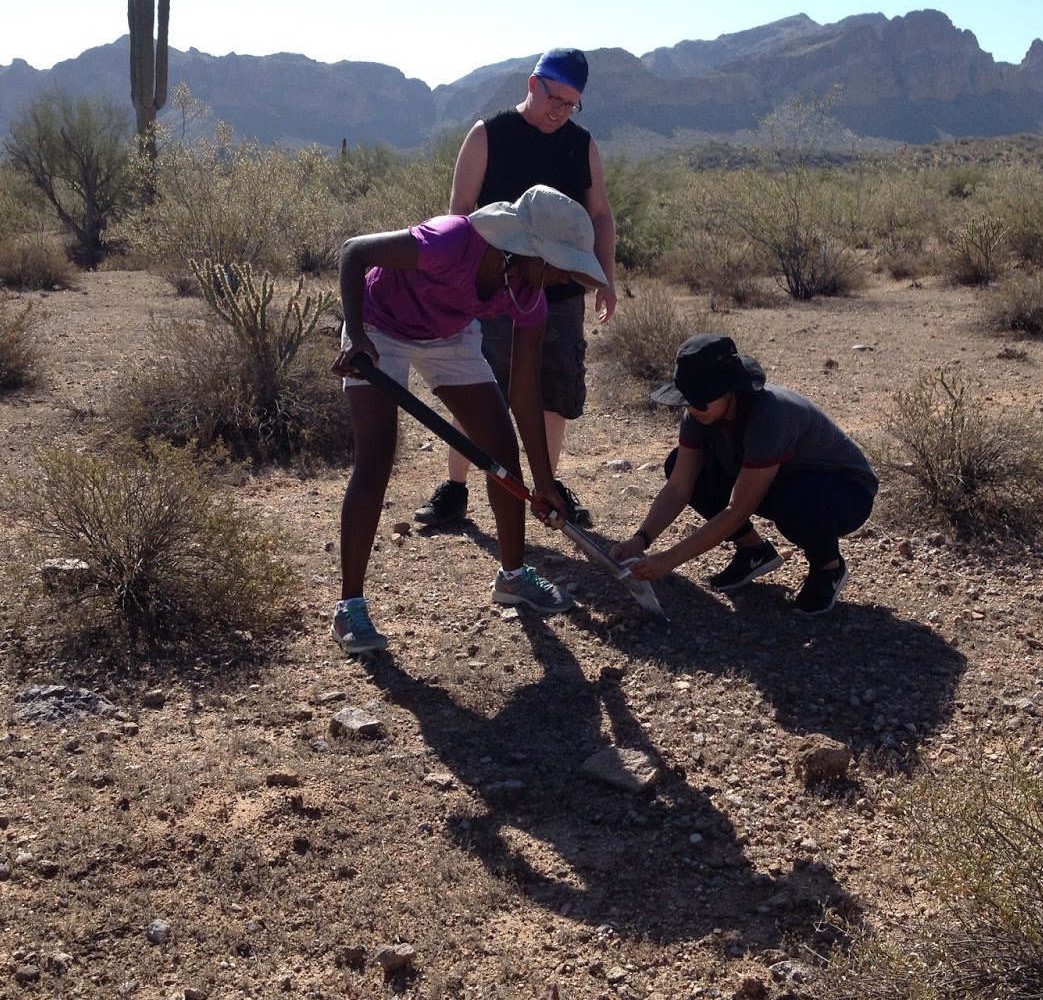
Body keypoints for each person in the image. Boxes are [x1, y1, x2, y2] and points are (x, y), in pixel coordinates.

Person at [331, 185, 608, 655]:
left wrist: (545, 483)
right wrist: (356, 335)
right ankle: (349, 607)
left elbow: (524, 395)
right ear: (527, 249)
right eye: (559, 263)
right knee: (375, 459)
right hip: (379, 326)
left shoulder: (531, 297)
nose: (564, 275)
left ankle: (513, 577)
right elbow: (354, 251)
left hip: (450, 335)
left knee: (502, 453)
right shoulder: (451, 240)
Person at [415, 47, 617, 531]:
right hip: (492, 292)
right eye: (554, 99)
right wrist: (457, 284)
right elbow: (460, 213)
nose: (559, 111)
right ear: (532, 85)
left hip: (559, 293)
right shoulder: (489, 134)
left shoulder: (581, 143)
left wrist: (606, 277)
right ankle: (456, 487)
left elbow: (601, 214)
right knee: (478, 387)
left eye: (570, 104)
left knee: (555, 390)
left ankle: (548, 484)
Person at [610, 334, 879, 617]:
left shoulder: (770, 415)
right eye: (686, 400)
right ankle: (754, 552)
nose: (691, 408)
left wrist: (669, 560)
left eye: (700, 400)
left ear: (730, 390)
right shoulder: (699, 415)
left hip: (846, 494)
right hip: (779, 482)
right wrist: (640, 540)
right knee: (679, 462)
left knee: (796, 495)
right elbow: (679, 486)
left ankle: (828, 568)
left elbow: (738, 509)